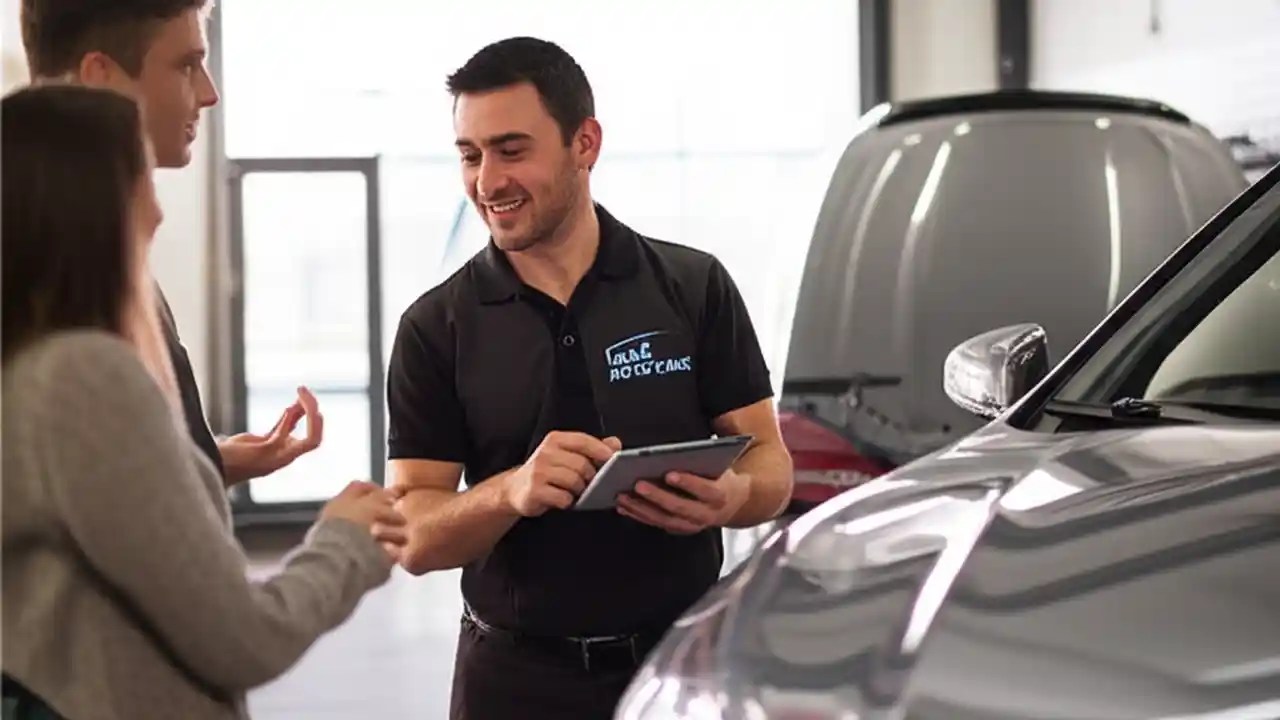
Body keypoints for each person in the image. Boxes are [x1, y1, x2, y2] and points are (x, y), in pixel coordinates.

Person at [386, 36, 795, 719]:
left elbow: (772, 464)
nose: (487, 182)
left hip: (683, 671)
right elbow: (414, 535)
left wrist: (731, 500)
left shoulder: (693, 288)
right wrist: (511, 491)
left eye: (512, 150)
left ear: (585, 143)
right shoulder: (437, 325)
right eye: (470, 154)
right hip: (514, 682)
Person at [1, 83, 406, 720]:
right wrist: (347, 538)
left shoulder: (25, 368)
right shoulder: (79, 374)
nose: (157, 214)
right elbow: (244, 637)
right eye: (140, 182)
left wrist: (203, 459)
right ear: (88, 205)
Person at [20, 0, 323, 486]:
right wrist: (350, 537)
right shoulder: (64, 290)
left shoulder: (94, 255)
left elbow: (104, 487)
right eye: (186, 66)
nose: (208, 94)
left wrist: (206, 458)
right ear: (100, 77)